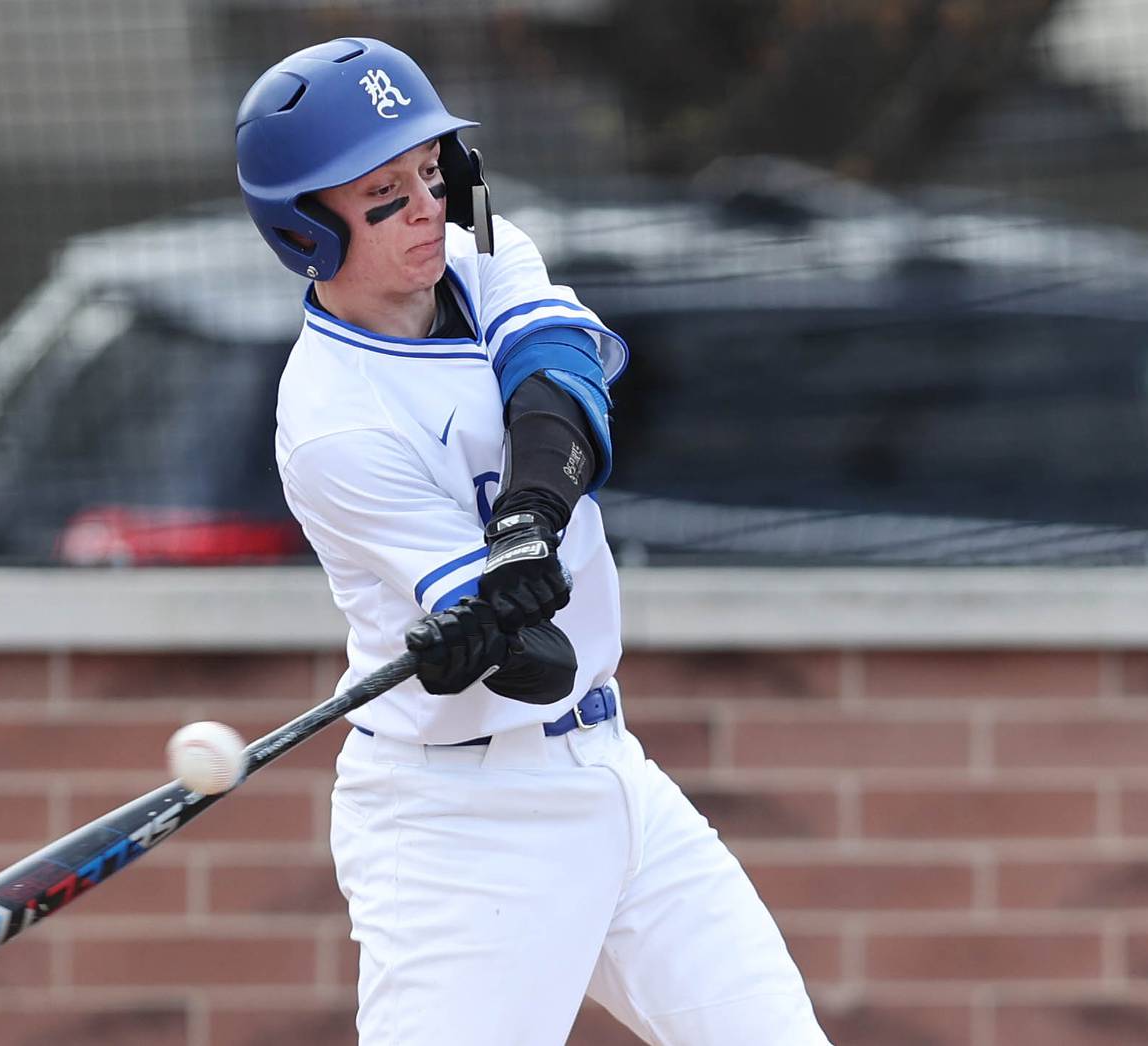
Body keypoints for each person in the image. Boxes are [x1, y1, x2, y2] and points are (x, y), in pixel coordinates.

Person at [235, 37, 832, 1046]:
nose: (426, 205)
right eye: (384, 194)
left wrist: (524, 530)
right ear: (309, 233)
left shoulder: (481, 246)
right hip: (465, 822)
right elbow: (533, 659)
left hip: (610, 772)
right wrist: (481, 627)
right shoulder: (335, 421)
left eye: (431, 171)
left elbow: (561, 380)